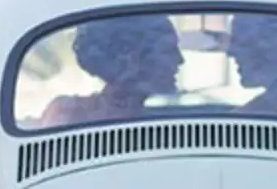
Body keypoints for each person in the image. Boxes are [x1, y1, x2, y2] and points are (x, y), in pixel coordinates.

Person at [39, 13, 184, 128]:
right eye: (168, 51)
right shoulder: (70, 114)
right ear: (130, 57)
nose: (180, 60)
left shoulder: (177, 116)